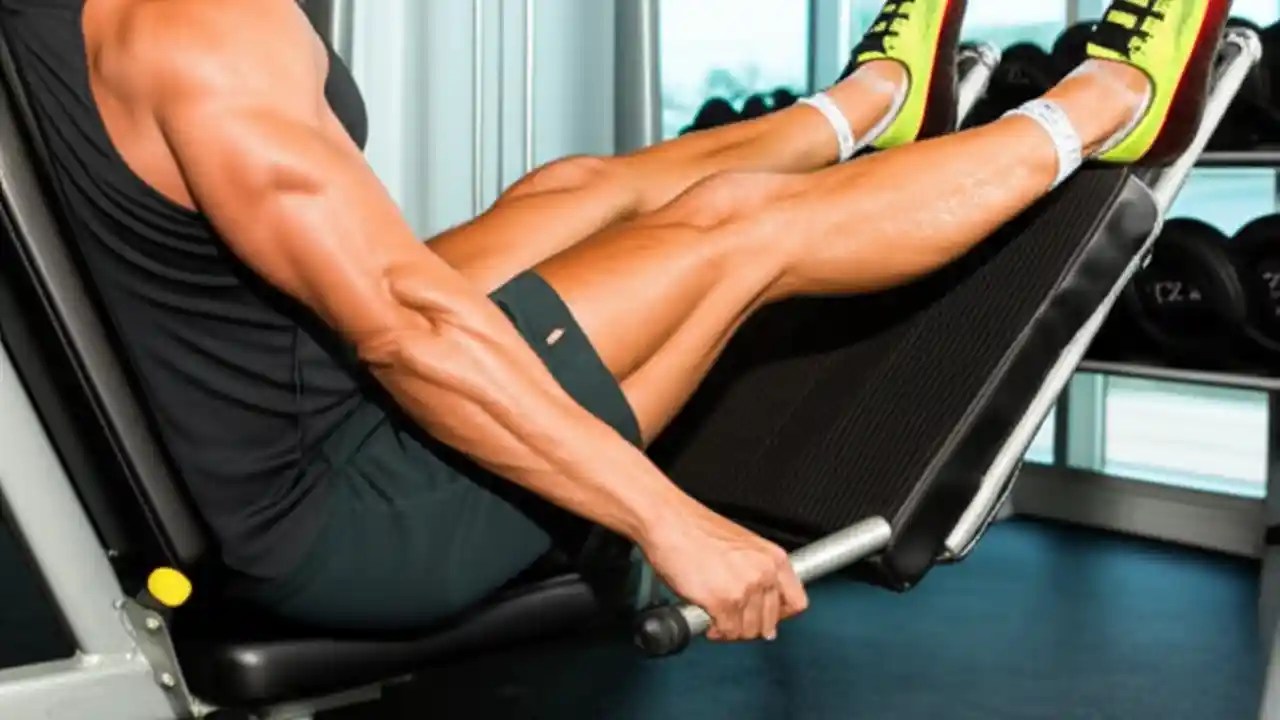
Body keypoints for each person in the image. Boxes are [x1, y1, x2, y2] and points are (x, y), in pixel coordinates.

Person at [0, 0, 1229, 643]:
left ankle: (860, 108)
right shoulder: (193, 28)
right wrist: (671, 522)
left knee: (569, 194)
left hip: (279, 409)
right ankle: (1100, 111)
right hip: (347, 512)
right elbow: (404, 330)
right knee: (740, 232)